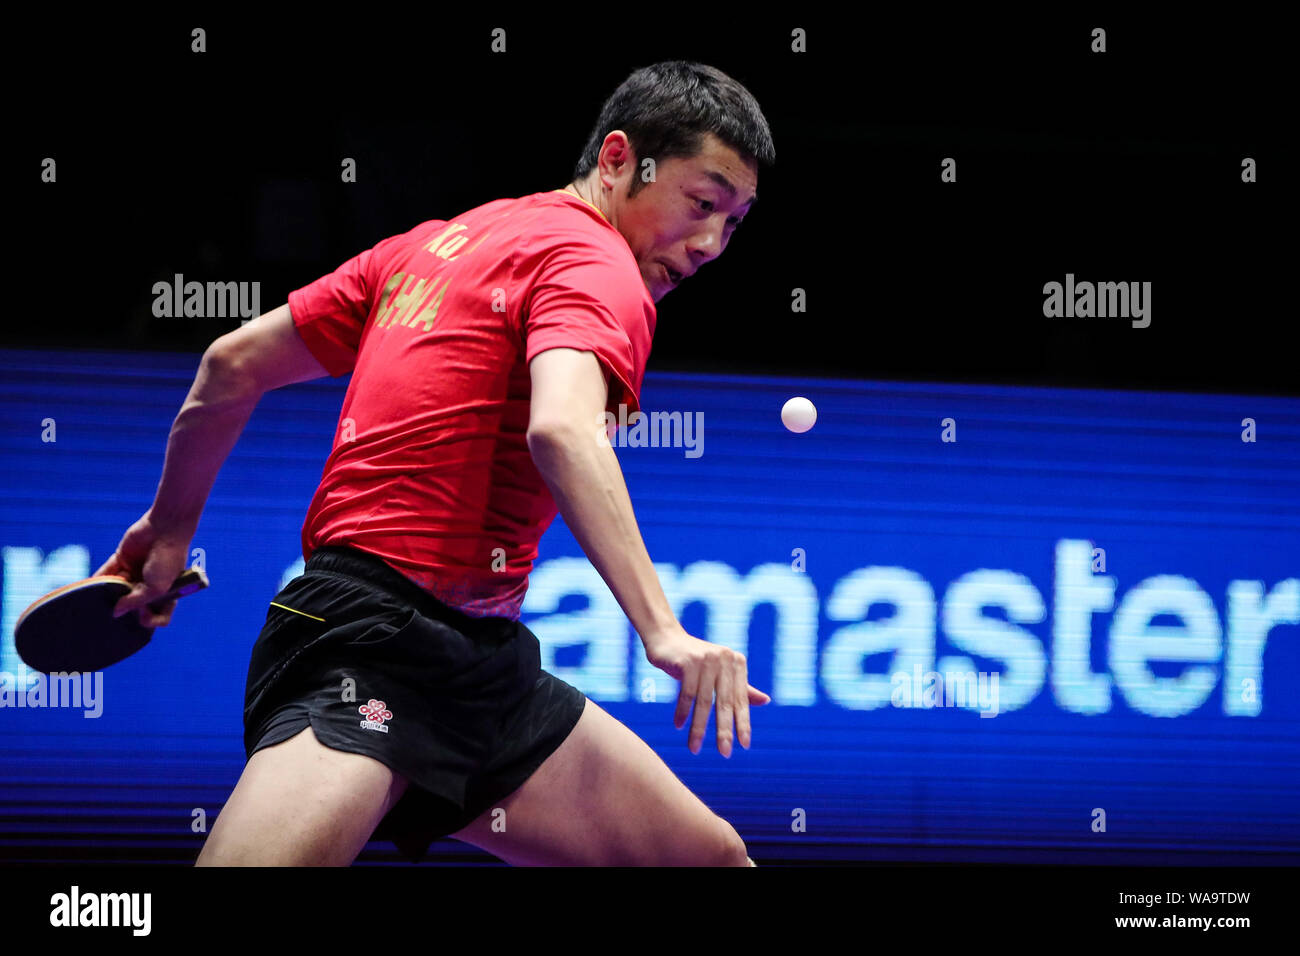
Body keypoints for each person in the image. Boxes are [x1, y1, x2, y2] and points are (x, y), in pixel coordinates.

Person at [96, 61, 776, 866]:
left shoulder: (437, 245)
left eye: (732, 224)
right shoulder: (597, 263)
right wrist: (663, 633)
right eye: (701, 203)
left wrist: (170, 531)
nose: (708, 246)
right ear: (620, 158)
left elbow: (230, 363)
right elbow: (561, 431)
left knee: (708, 860)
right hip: (375, 645)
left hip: (478, 662)